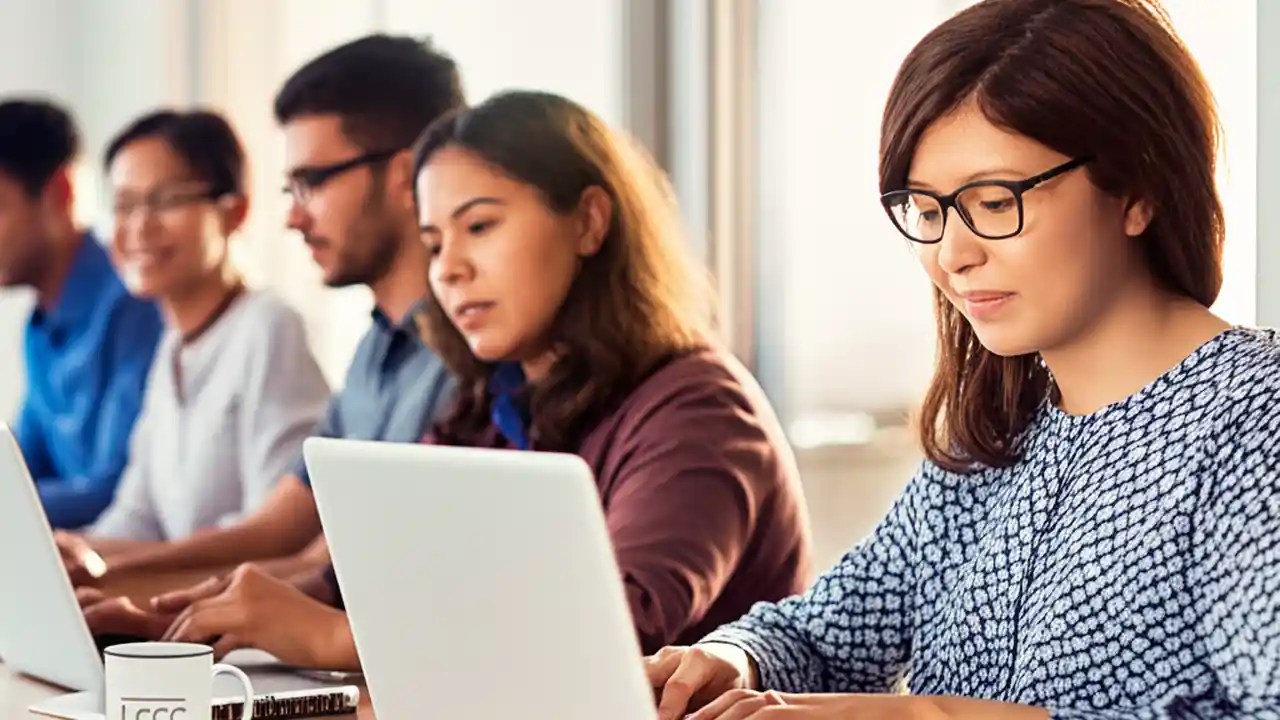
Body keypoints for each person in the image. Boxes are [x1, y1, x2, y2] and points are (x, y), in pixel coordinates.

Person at [645, 1, 1280, 719]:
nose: (952, 254)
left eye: (994, 200)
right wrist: (727, 660)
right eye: (927, 209)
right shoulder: (994, 434)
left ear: (1139, 189)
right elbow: (828, 631)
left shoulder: (1254, 421)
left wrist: (930, 715)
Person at [90, 90, 815, 669]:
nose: (450, 269)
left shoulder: (699, 408)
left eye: (480, 227)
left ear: (590, 222)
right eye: (434, 242)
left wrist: (336, 640)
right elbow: (366, 575)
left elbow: (611, 626)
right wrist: (178, 617)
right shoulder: (489, 404)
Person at [59, 35, 460, 584]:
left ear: (403, 175)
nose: (293, 218)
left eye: (313, 183)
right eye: (125, 205)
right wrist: (90, 568)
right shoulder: (373, 352)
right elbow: (287, 536)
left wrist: (131, 584)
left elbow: (353, 569)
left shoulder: (467, 352)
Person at [59, 110, 331, 546]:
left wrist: (114, 566)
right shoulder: (172, 345)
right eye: (125, 205)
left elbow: (275, 530)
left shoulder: (268, 327)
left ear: (233, 212)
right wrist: (70, 552)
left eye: (165, 201)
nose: (140, 227)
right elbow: (137, 514)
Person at [0, 99, 163, 529]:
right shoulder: (39, 326)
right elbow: (22, 466)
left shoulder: (136, 301)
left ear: (61, 193)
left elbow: (113, 487)